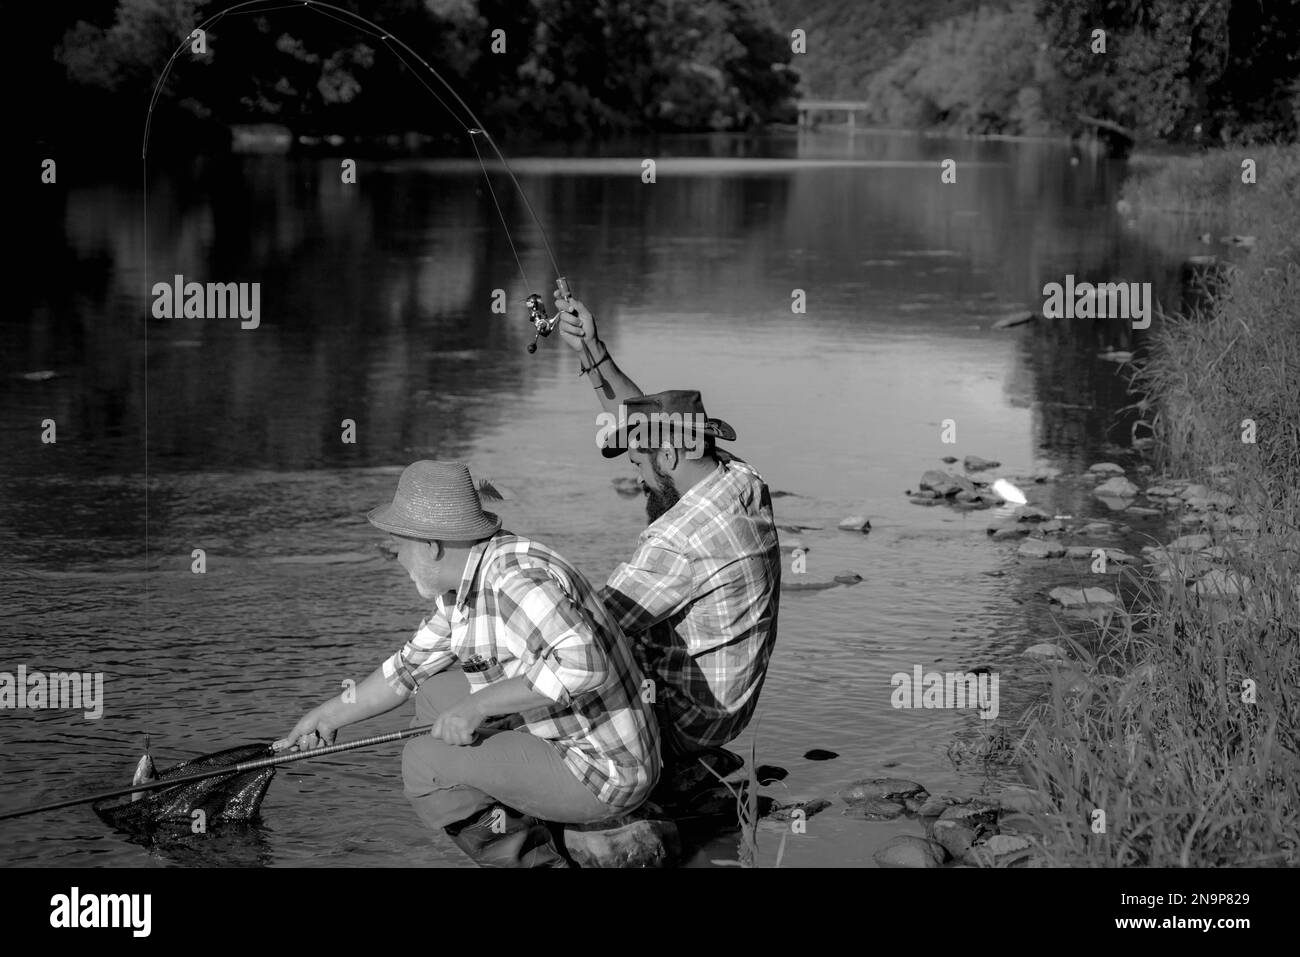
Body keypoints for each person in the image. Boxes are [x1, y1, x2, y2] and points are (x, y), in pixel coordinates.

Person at [277, 460, 659, 867]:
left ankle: (538, 860)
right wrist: (325, 717)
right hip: (571, 738)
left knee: (423, 764)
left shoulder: (513, 579)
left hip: (603, 772)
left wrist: (477, 706)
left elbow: (584, 664)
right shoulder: (472, 579)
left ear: (432, 546)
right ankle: (521, 813)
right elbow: (405, 671)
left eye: (399, 546)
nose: (397, 560)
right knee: (435, 693)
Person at [553, 291, 781, 786]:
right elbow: (646, 419)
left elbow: (588, 629)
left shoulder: (677, 541)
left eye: (639, 464)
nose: (637, 477)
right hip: (730, 709)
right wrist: (593, 352)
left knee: (565, 651)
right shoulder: (740, 480)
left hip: (689, 722)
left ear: (672, 458)